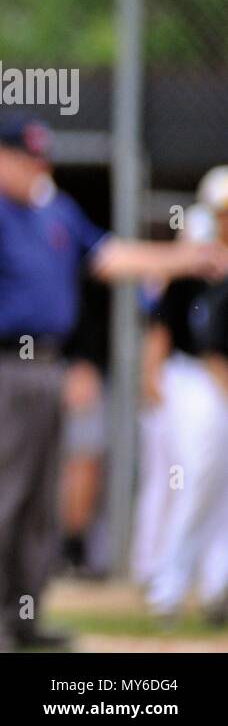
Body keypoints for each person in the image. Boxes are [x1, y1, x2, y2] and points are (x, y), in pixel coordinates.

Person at [0, 115, 228, 652]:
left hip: (50, 366)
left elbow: (110, 256)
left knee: (40, 504)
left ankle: (23, 618)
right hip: (1, 369)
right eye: (25, 159)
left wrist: (189, 258)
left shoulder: (56, 212)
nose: (34, 170)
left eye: (40, 160)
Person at [137, 167, 228, 625]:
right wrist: (150, 371)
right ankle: (166, 583)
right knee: (193, 476)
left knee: (221, 485)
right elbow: (171, 322)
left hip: (218, 378)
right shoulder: (195, 255)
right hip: (195, 376)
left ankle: (217, 585)